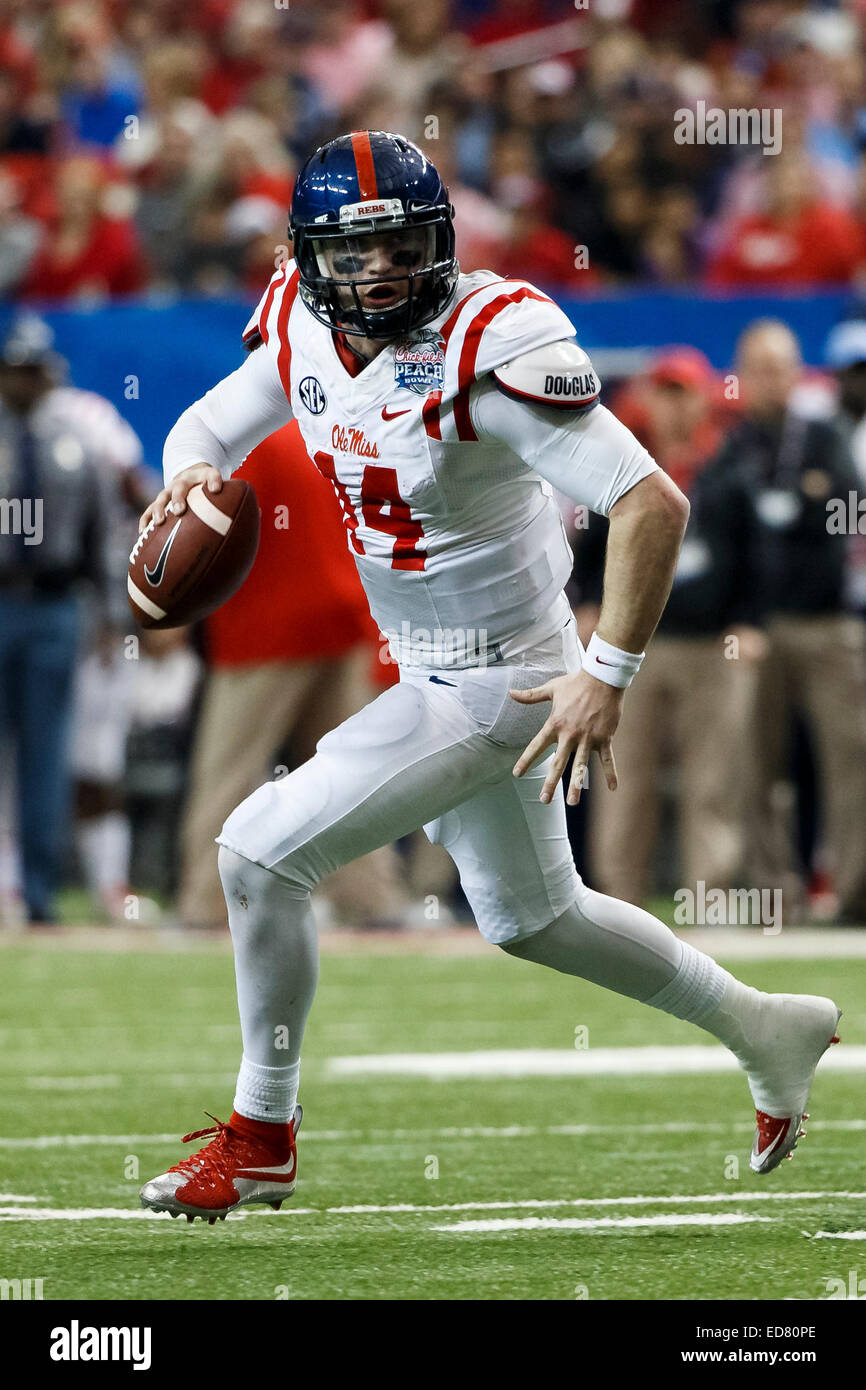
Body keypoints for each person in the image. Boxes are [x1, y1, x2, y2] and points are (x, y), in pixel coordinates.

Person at [137, 132, 840, 1223]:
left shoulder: (487, 344)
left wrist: (606, 672)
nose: (379, 274)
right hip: (432, 667)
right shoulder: (298, 326)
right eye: (354, 254)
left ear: (443, 242)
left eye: (403, 246)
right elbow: (215, 420)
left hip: (498, 677)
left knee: (255, 854)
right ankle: (767, 1027)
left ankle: (261, 1132)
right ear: (308, 257)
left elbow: (651, 500)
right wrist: (189, 474)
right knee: (533, 918)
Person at [574, 348, 763, 906]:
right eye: (665, 392)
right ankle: (618, 895)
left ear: (703, 399)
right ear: (649, 399)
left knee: (714, 779)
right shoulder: (625, 463)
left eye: (684, 393)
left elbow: (755, 553)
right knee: (624, 775)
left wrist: (748, 623)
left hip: (711, 643)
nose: (674, 407)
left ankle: (710, 894)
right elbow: (593, 541)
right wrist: (588, 602)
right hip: (635, 645)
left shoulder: (730, 466)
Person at [724, 320, 866, 924]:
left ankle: (855, 892)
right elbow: (718, 533)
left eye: (780, 367)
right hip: (756, 629)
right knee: (753, 761)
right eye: (757, 368)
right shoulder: (733, 446)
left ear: (797, 373)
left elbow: (850, 512)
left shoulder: (824, 437)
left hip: (826, 622)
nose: (769, 380)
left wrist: (805, 511)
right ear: (741, 376)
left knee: (850, 757)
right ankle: (772, 895)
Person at [0, 316, 117, 923]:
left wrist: (111, 615)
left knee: (47, 755)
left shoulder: (75, 440)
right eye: (17, 369)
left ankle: (41, 893)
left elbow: (102, 532)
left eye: (35, 369)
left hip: (53, 604)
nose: (27, 380)